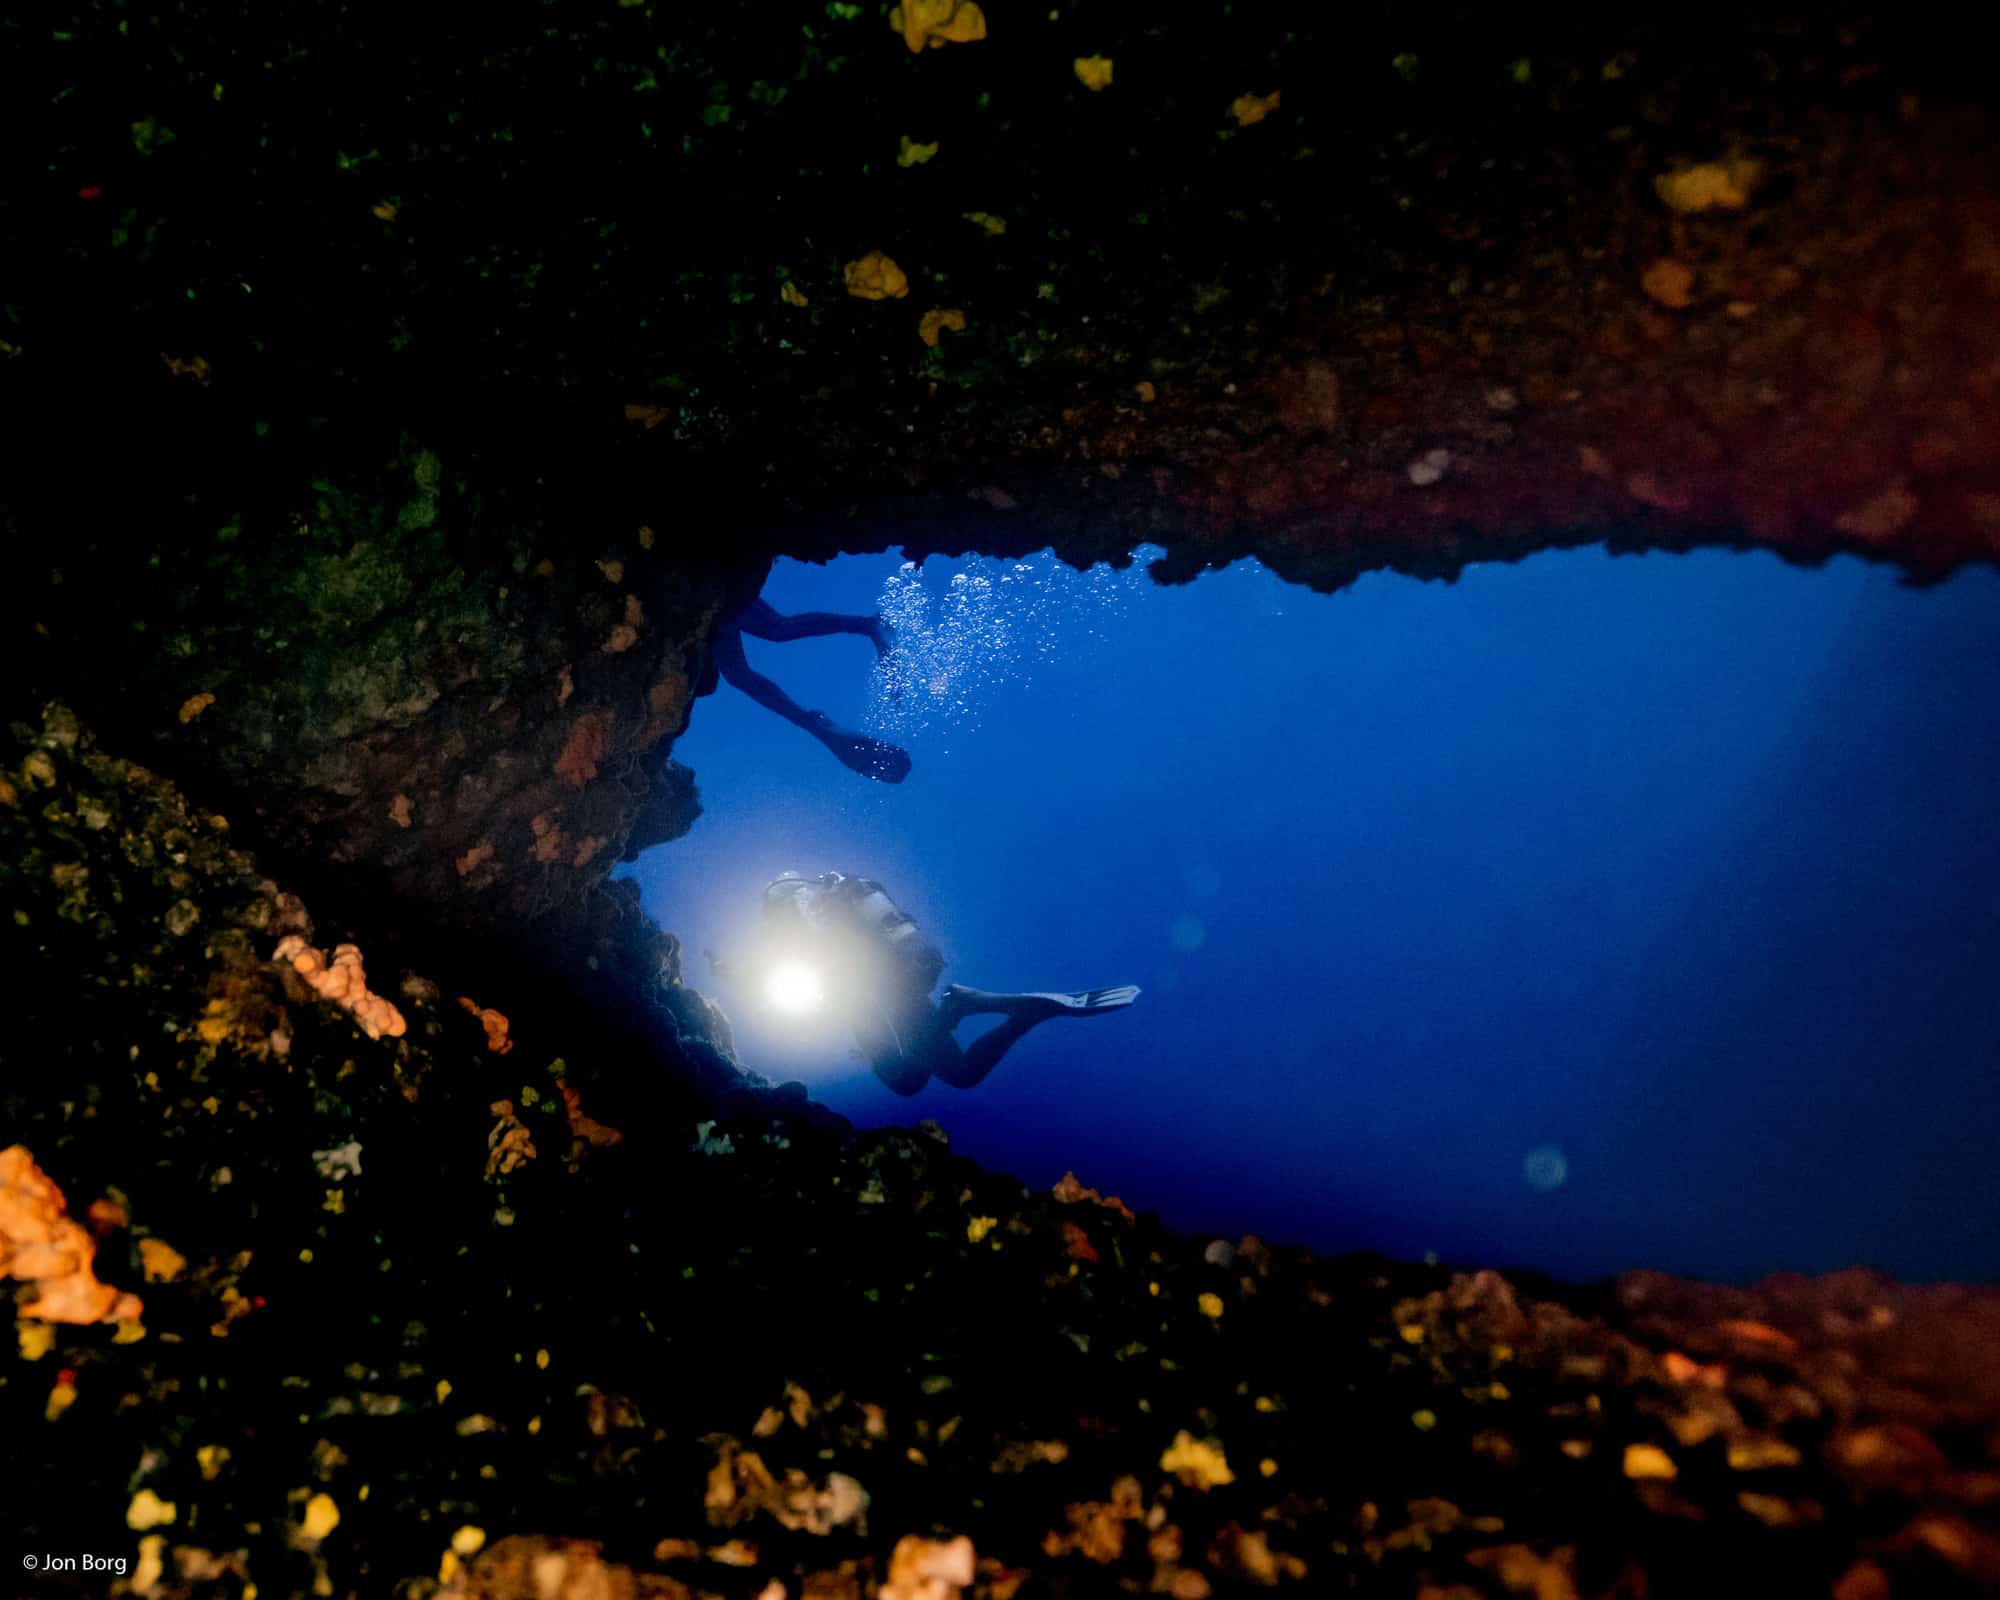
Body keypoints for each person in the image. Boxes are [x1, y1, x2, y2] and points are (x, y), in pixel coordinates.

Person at [711, 872, 1139, 1095]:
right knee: (962, 1073)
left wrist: (735, 973)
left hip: (866, 996)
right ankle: (1022, 1015)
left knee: (907, 1081)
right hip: (906, 977)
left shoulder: (793, 917)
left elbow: (784, 970)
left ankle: (961, 1008)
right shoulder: (837, 897)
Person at [710, 596, 912, 783]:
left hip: (717, 601)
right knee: (774, 633)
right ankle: (867, 625)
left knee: (770, 638)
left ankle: (810, 721)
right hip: (717, 594)